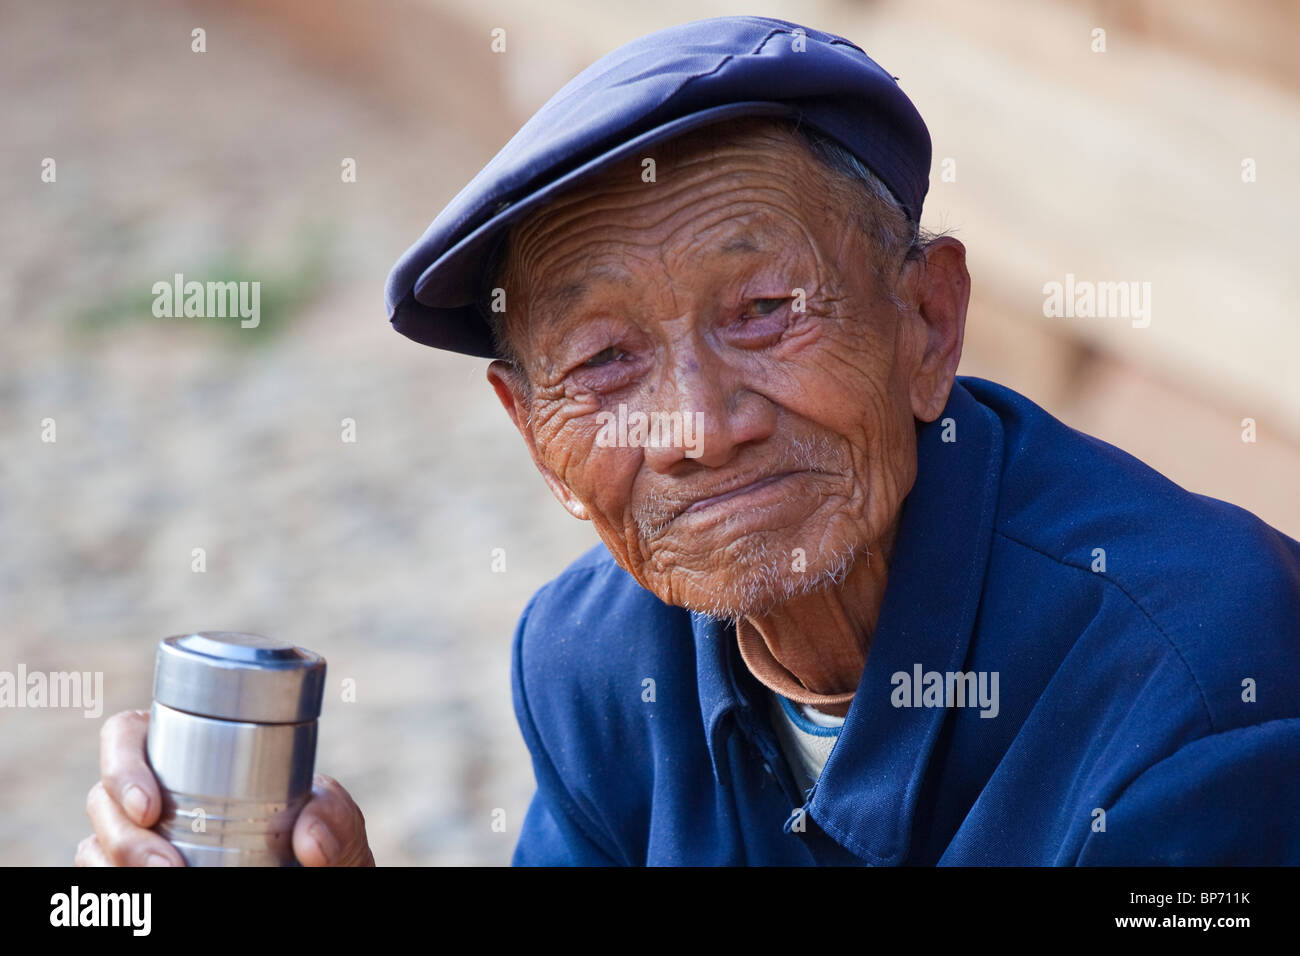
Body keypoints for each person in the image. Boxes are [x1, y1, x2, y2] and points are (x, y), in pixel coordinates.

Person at [79, 15, 1300, 867]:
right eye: (603, 362)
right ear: (533, 435)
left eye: (764, 313)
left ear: (928, 323)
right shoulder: (596, 664)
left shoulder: (1196, 677)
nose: (701, 429)